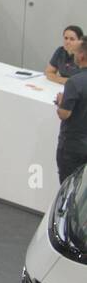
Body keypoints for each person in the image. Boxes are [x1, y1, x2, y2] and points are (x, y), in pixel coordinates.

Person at [55, 46, 87, 184]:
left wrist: (61, 102)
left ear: (81, 56)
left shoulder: (74, 82)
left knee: (68, 186)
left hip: (73, 146)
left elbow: (64, 114)